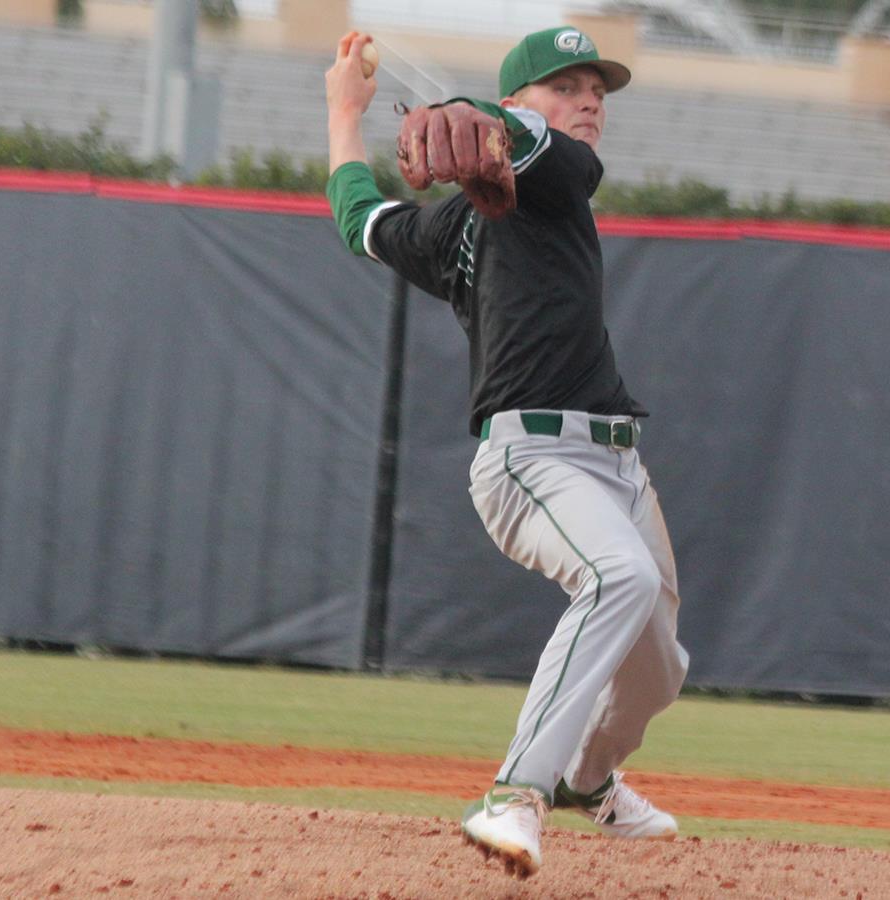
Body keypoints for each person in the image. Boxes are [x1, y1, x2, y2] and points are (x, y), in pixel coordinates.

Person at [324, 26, 689, 879]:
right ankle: (513, 796)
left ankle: (588, 777)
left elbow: (370, 212)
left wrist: (381, 114)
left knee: (661, 670)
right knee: (618, 579)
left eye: (597, 87)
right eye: (567, 86)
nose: (590, 100)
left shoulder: (549, 175)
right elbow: (377, 209)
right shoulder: (535, 174)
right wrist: (392, 112)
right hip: (533, 458)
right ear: (524, 103)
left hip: (620, 467)